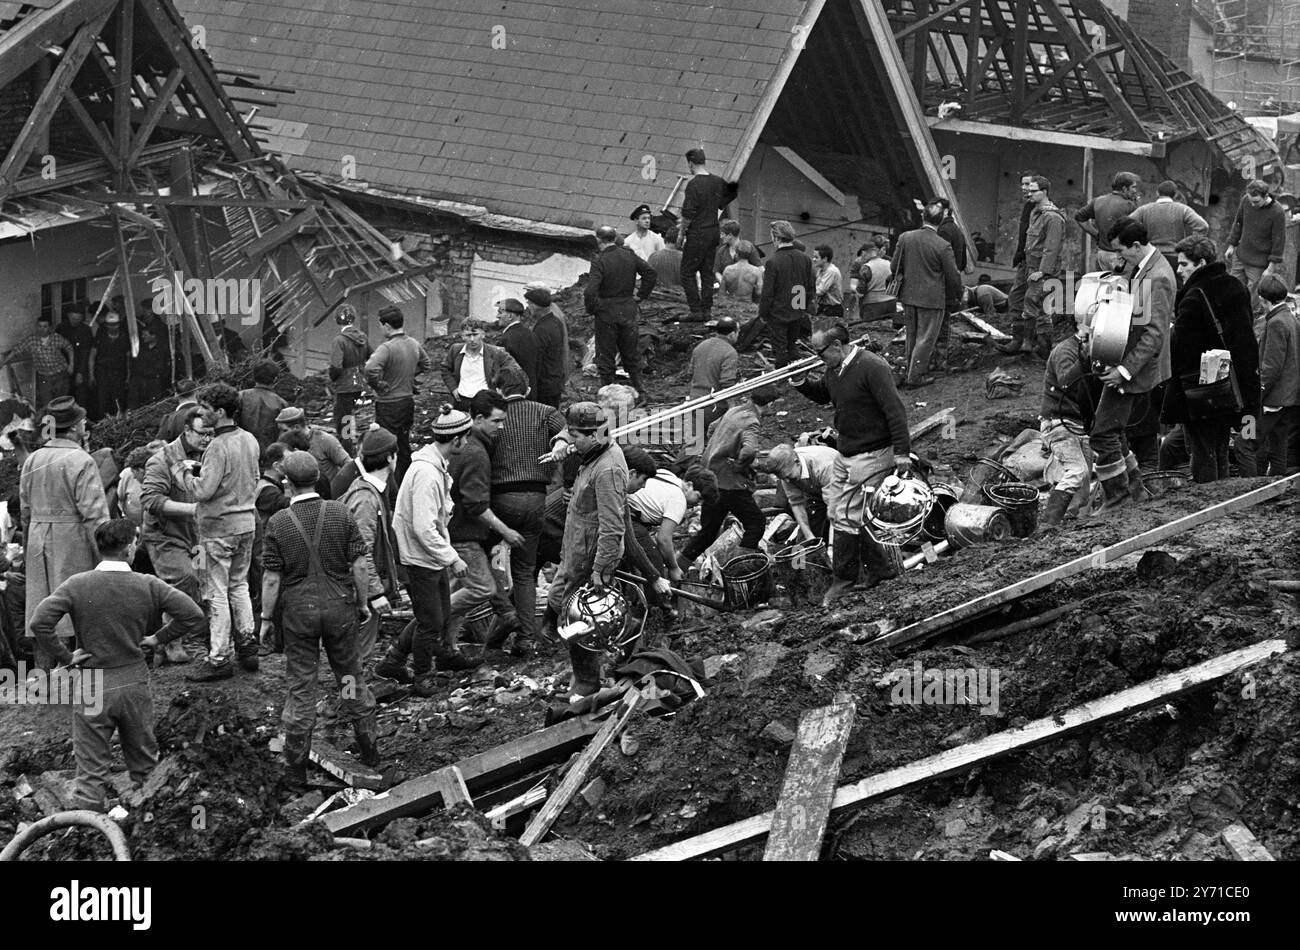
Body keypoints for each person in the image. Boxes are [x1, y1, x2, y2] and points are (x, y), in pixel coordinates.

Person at [29, 518, 205, 811]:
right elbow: (192, 614)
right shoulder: (147, 584)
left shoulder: (77, 584)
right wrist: (157, 639)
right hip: (134, 681)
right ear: (129, 548)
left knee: (90, 776)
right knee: (146, 768)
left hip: (93, 685)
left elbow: (39, 623)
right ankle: (147, 831)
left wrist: (67, 657)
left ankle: (90, 837)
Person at [260, 451, 380, 782]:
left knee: (301, 687)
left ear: (286, 482)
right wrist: (363, 603)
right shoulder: (340, 513)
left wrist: (266, 620)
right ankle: (371, 755)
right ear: (316, 478)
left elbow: (271, 577)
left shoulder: (279, 522)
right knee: (350, 678)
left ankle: (296, 772)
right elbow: (359, 563)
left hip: (298, 613)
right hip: (340, 606)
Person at [790, 330, 911, 607]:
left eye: (820, 353)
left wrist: (902, 451)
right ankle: (881, 570)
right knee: (837, 510)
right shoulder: (836, 369)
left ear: (837, 345)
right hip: (846, 452)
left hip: (872, 451)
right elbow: (825, 394)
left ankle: (843, 582)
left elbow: (895, 409)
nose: (818, 360)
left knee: (846, 514)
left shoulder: (872, 366)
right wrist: (801, 382)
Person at [540, 402, 631, 697]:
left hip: (590, 558)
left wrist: (601, 571)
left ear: (596, 434)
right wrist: (563, 442)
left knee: (580, 619)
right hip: (575, 551)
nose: (573, 442)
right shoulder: (592, 450)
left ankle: (587, 684)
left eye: (577, 437)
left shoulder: (608, 469)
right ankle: (573, 664)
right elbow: (567, 431)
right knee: (558, 601)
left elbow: (613, 525)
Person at [385, 406, 477, 691]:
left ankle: (395, 659)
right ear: (457, 439)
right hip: (421, 556)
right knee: (430, 621)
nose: (467, 442)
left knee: (436, 614)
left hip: (428, 554)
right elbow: (424, 527)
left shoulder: (434, 466)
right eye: (466, 437)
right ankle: (422, 675)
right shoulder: (426, 473)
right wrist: (453, 558)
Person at [175, 382, 260, 680]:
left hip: (218, 528)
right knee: (240, 586)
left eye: (207, 409)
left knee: (217, 592)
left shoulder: (216, 446)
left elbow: (204, 491)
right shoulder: (249, 439)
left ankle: (219, 657)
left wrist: (184, 473)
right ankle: (248, 646)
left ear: (220, 412)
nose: (202, 412)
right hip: (246, 523)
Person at [1159, 236, 1260, 484]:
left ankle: (1207, 503)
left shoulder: (1193, 296)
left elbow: (1180, 348)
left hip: (1200, 390)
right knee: (1222, 447)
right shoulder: (1237, 287)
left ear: (1201, 262)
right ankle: (1224, 501)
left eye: (1183, 264)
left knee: (1202, 451)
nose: (1179, 270)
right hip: (1231, 384)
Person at [19, 396, 109, 668]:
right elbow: (94, 513)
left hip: (37, 538)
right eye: (82, 422)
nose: (84, 425)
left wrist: (29, 543)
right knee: (78, 601)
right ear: (73, 428)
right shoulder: (80, 459)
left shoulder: (33, 459)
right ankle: (81, 667)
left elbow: (24, 510)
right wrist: (107, 552)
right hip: (71, 538)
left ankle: (42, 671)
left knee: (41, 605)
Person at [1092, 219, 1173, 509]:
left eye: (1120, 251)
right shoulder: (1144, 267)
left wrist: (1123, 372)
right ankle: (1136, 492)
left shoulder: (1159, 277)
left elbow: (1155, 333)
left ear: (1136, 246)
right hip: (1127, 365)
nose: (1118, 257)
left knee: (1102, 433)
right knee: (1114, 430)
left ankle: (1118, 500)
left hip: (1132, 371)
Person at [487, 368, 564, 654]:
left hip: (499, 499)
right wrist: (562, 445)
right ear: (528, 388)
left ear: (498, 391)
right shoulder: (546, 412)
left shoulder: (494, 416)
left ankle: (505, 614)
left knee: (478, 558)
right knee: (524, 570)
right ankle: (526, 638)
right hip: (536, 499)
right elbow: (571, 430)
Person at [677, 386, 778, 573]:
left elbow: (712, 429)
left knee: (707, 531)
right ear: (770, 404)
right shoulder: (752, 421)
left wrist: (719, 451)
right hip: (730, 484)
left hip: (710, 477)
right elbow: (748, 451)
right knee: (755, 524)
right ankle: (740, 569)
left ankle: (676, 568)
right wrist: (739, 464)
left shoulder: (734, 410)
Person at [140, 406, 213, 662]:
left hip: (197, 537)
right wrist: (193, 509)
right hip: (166, 536)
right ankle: (170, 642)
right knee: (184, 579)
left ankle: (193, 640)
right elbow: (151, 500)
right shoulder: (162, 460)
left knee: (203, 581)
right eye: (202, 434)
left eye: (212, 434)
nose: (207, 439)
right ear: (186, 430)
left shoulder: (211, 455)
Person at [339, 426, 405, 662]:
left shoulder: (368, 491)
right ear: (390, 458)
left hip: (361, 585)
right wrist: (375, 593)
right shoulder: (366, 499)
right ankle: (354, 695)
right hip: (361, 589)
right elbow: (361, 551)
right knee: (359, 651)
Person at [1037, 309, 1100, 531]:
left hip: (1078, 424)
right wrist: (1086, 358)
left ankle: (1069, 526)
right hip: (1059, 423)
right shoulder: (1066, 350)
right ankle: (1047, 524)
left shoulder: (1090, 350)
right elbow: (1066, 382)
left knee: (1082, 487)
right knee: (1077, 471)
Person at [893, 199, 962, 387]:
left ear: (923, 217)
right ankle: (915, 377)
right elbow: (953, 276)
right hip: (932, 299)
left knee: (912, 336)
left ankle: (910, 371)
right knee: (925, 338)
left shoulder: (905, 238)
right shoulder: (942, 245)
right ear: (940, 221)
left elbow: (894, 266)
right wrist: (959, 293)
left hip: (908, 296)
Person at [585, 224, 657, 393]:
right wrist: (641, 295)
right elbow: (650, 273)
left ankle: (608, 392)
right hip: (628, 311)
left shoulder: (600, 261)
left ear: (598, 240)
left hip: (606, 314)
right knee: (630, 352)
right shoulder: (628, 255)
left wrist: (592, 309)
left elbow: (590, 291)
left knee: (606, 356)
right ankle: (640, 390)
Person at [366, 305, 433, 481]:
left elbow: (370, 369)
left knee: (387, 445)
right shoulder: (413, 343)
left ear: (387, 326)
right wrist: (410, 377)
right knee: (403, 444)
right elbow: (426, 364)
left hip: (388, 405)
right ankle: (407, 481)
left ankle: (391, 485)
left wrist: (379, 385)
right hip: (407, 403)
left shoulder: (386, 348)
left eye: (381, 326)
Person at [679, 148, 739, 322]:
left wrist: (681, 235)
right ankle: (706, 310)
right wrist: (720, 204)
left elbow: (688, 215)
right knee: (707, 272)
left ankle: (695, 310)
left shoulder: (693, 184)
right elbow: (733, 191)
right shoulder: (717, 181)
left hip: (697, 233)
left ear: (690, 163)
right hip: (713, 231)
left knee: (687, 272)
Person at [626, 450, 697, 582]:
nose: (697, 504)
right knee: (652, 559)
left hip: (631, 510)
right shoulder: (679, 499)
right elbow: (663, 540)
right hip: (630, 513)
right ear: (690, 485)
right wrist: (673, 568)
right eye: (699, 497)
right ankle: (656, 601)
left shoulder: (669, 475)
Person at [1256, 275, 1300, 475]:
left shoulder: (1276, 323)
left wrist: (1259, 392)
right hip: (1289, 397)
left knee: (1245, 444)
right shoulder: (1291, 318)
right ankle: (1277, 490)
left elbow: (1271, 366)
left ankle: (1250, 489)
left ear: (1263, 299)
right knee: (1278, 447)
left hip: (1273, 400)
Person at [754, 442, 838, 542]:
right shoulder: (787, 472)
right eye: (783, 478)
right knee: (806, 538)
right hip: (814, 489)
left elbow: (834, 510)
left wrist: (832, 547)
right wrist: (809, 537)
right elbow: (797, 504)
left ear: (797, 462)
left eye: (789, 476)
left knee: (843, 533)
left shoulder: (824, 466)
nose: (788, 481)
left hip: (844, 488)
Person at [757, 220, 815, 368]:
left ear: (776, 237)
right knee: (792, 345)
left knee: (780, 349)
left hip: (778, 313)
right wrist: (801, 308)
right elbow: (808, 287)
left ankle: (781, 380)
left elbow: (767, 293)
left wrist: (763, 314)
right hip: (797, 310)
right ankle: (797, 377)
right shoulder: (805, 259)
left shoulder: (773, 261)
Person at [996, 172, 1042, 356]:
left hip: (1035, 261)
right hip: (1025, 258)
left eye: (1028, 184)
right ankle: (1020, 339)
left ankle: (1029, 341)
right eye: (1022, 184)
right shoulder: (1028, 206)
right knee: (1017, 297)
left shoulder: (1042, 209)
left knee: (1029, 299)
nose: (1024, 188)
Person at [1022, 176, 1068, 355]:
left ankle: (1038, 348)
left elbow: (1052, 247)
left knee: (1035, 303)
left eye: (1034, 191)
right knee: (1040, 307)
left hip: (1044, 272)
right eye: (1029, 190)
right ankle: (1038, 349)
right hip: (1032, 268)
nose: (1029, 193)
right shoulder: (1037, 212)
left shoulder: (1053, 217)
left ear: (1045, 192)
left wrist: (1042, 271)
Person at [1226, 179, 1287, 306]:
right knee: (1232, 289)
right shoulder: (1245, 201)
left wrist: (1271, 267)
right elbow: (1238, 223)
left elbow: (1279, 241)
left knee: (1251, 299)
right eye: (1250, 201)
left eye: (1256, 202)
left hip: (1258, 263)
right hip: (1240, 255)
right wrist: (1232, 245)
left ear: (1266, 196)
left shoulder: (1277, 212)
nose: (1252, 205)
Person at [440, 317, 520, 410]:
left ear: (483, 334)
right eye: (468, 335)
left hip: (485, 402)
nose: (472, 339)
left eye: (475, 334)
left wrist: (502, 390)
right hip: (461, 401)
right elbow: (445, 369)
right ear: (462, 336)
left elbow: (514, 369)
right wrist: (453, 388)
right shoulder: (455, 350)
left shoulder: (496, 352)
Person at [1129, 181, 1209, 274]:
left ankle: (1140, 288)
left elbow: (1126, 225)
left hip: (1150, 258)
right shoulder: (1183, 209)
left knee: (1142, 286)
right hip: (1174, 260)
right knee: (1173, 287)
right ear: (1175, 194)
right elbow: (1203, 226)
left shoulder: (1144, 209)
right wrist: (1190, 245)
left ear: (1157, 193)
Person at [1, 314, 74, 413]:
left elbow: (69, 348)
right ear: (36, 326)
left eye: (45, 326)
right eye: (39, 326)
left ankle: (62, 427)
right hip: (45, 377)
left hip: (60, 375)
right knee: (47, 405)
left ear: (50, 328)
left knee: (61, 403)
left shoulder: (56, 338)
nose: (42, 329)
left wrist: (71, 364)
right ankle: (51, 428)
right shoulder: (32, 340)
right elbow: (16, 350)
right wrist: (2, 363)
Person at [1075, 171, 1140, 272]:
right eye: (1133, 187)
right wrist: (1136, 205)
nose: (1135, 191)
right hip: (1121, 257)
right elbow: (1138, 231)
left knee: (1105, 286)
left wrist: (1096, 235)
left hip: (1102, 255)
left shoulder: (1098, 200)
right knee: (1127, 286)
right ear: (1124, 188)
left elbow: (1079, 217)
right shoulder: (1128, 205)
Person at [329, 304, 372, 455]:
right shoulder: (363, 337)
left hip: (345, 387)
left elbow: (336, 366)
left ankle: (347, 455)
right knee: (360, 419)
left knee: (344, 423)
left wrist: (332, 378)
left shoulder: (339, 340)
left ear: (337, 320)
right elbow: (372, 358)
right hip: (361, 385)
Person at [275, 405, 350, 490]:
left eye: (285, 430)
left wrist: (338, 489)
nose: (282, 435)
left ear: (296, 427)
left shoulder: (325, 440)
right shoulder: (286, 444)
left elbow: (349, 464)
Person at [689, 317, 740, 428]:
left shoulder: (700, 346)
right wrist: (732, 408)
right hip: (714, 407)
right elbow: (727, 383)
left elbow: (691, 372)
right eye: (738, 332)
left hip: (694, 403)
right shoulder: (730, 352)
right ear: (732, 334)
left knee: (698, 441)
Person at [525, 287, 569, 409]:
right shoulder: (555, 322)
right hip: (555, 381)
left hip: (545, 385)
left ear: (536, 306)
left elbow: (538, 358)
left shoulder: (542, 329)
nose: (528, 307)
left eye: (529, 303)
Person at [237, 359, 288, 453]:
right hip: (268, 454)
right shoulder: (281, 404)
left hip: (241, 450)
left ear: (253, 376)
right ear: (275, 379)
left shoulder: (240, 396)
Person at [88, 311, 131, 417]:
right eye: (110, 324)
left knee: (117, 400)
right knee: (102, 400)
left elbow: (128, 358)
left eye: (115, 324)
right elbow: (92, 355)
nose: (113, 327)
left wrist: (128, 376)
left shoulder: (124, 337)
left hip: (119, 374)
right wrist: (91, 374)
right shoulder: (100, 336)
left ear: (119, 324)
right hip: (103, 373)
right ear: (106, 325)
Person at [498, 297, 539, 396]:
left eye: (500, 312)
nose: (497, 316)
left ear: (510, 316)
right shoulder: (531, 334)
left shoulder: (506, 338)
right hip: (531, 392)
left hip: (513, 395)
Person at [128, 321, 173, 409]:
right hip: (141, 382)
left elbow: (161, 368)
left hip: (154, 382)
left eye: (145, 334)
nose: (143, 336)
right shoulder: (141, 349)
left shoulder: (162, 350)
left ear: (153, 336)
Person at [57, 306, 94, 410]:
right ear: (68, 316)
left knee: (81, 398)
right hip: (64, 368)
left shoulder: (85, 330)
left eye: (78, 319)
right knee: (65, 398)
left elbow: (86, 352)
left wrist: (80, 372)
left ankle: (82, 422)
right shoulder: (61, 328)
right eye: (73, 319)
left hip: (80, 368)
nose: (75, 322)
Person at [855, 242, 896, 323]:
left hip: (873, 305)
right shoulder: (889, 263)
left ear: (864, 253)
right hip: (891, 303)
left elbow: (861, 291)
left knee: (870, 330)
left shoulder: (866, 267)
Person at [713, 219, 762, 286]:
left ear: (730, 235)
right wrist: (724, 285)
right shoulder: (721, 251)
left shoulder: (749, 247)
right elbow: (717, 272)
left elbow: (760, 268)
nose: (721, 237)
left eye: (722, 234)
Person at [156, 378, 200, 442]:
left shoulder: (169, 419)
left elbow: (158, 447)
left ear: (176, 395)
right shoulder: (209, 413)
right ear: (197, 392)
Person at [814, 245, 844, 320]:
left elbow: (820, 291)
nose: (814, 259)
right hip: (823, 307)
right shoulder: (820, 271)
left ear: (825, 259)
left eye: (816, 257)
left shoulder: (831, 271)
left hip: (832, 309)